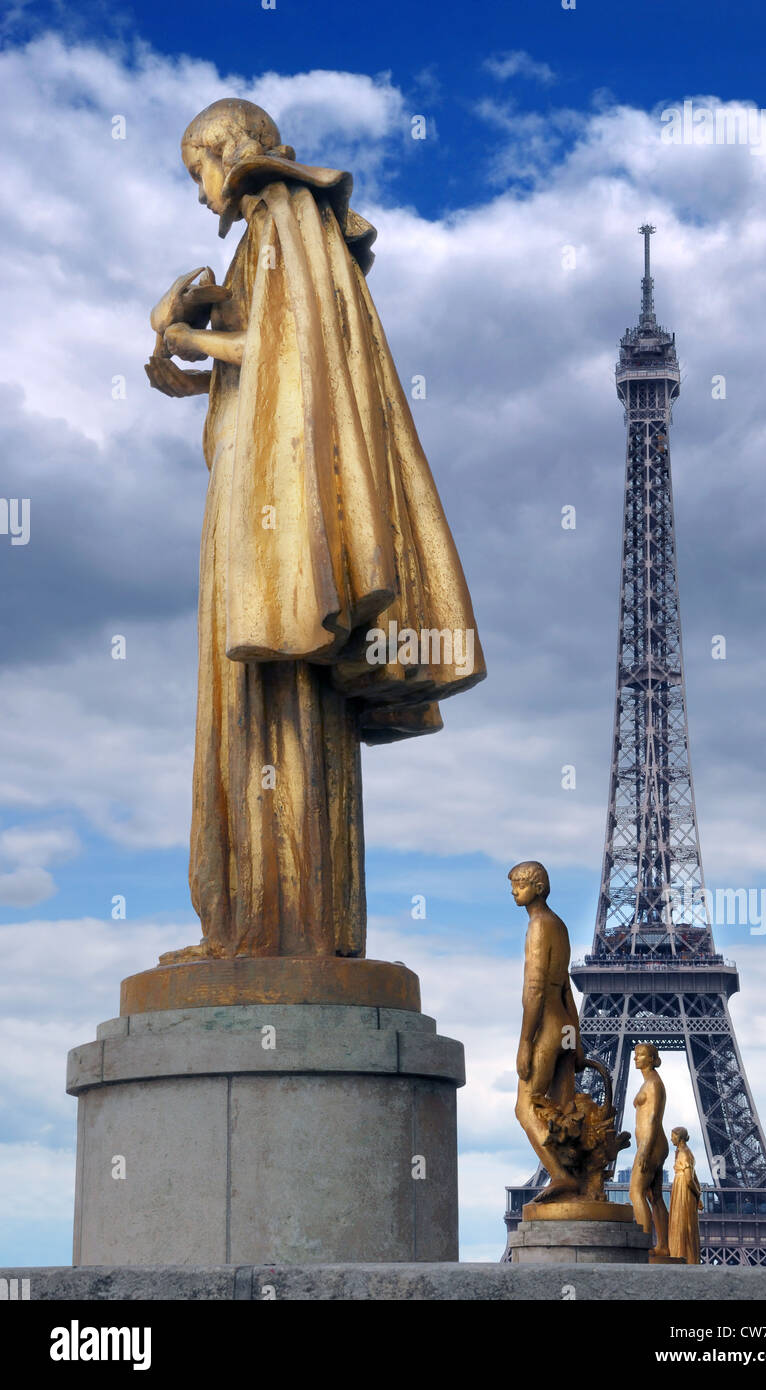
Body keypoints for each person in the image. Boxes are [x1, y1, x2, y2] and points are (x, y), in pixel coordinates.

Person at [147, 99, 485, 960]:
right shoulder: (269, 235)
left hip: (281, 514)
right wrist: (186, 359)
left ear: (234, 151)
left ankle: (278, 924)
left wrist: (189, 331)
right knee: (264, 700)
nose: (200, 195)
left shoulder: (286, 217)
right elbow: (269, 367)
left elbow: (285, 353)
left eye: (199, 170)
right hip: (262, 498)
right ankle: (254, 920)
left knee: (278, 696)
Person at [510, 860, 587, 1196]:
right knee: (563, 1110)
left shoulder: (539, 925)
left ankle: (560, 1175)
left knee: (526, 1107)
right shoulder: (560, 924)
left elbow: (536, 988)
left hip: (547, 1027)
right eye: (512, 884)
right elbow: (566, 985)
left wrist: (526, 1041)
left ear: (538, 887)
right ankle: (579, 1183)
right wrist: (577, 1037)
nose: (514, 890)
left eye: (520, 883)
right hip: (565, 1026)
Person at [629, 1042, 670, 1254]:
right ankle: (663, 1246)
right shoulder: (650, 1082)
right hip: (653, 1143)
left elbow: (653, 1117)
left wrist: (644, 1149)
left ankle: (643, 1246)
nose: (636, 1058)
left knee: (635, 1191)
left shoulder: (653, 1084)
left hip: (651, 1144)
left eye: (641, 1054)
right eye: (636, 1054)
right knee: (655, 1197)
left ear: (652, 1059)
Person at [668, 1126, 703, 1263]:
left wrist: (697, 1193)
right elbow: (694, 1176)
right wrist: (698, 1193)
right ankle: (686, 1254)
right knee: (685, 1223)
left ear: (679, 1137)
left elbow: (689, 1179)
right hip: (682, 1187)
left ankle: (681, 1254)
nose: (671, 1139)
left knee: (682, 1223)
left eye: (673, 1136)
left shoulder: (684, 1153)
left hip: (683, 1189)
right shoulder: (683, 1152)